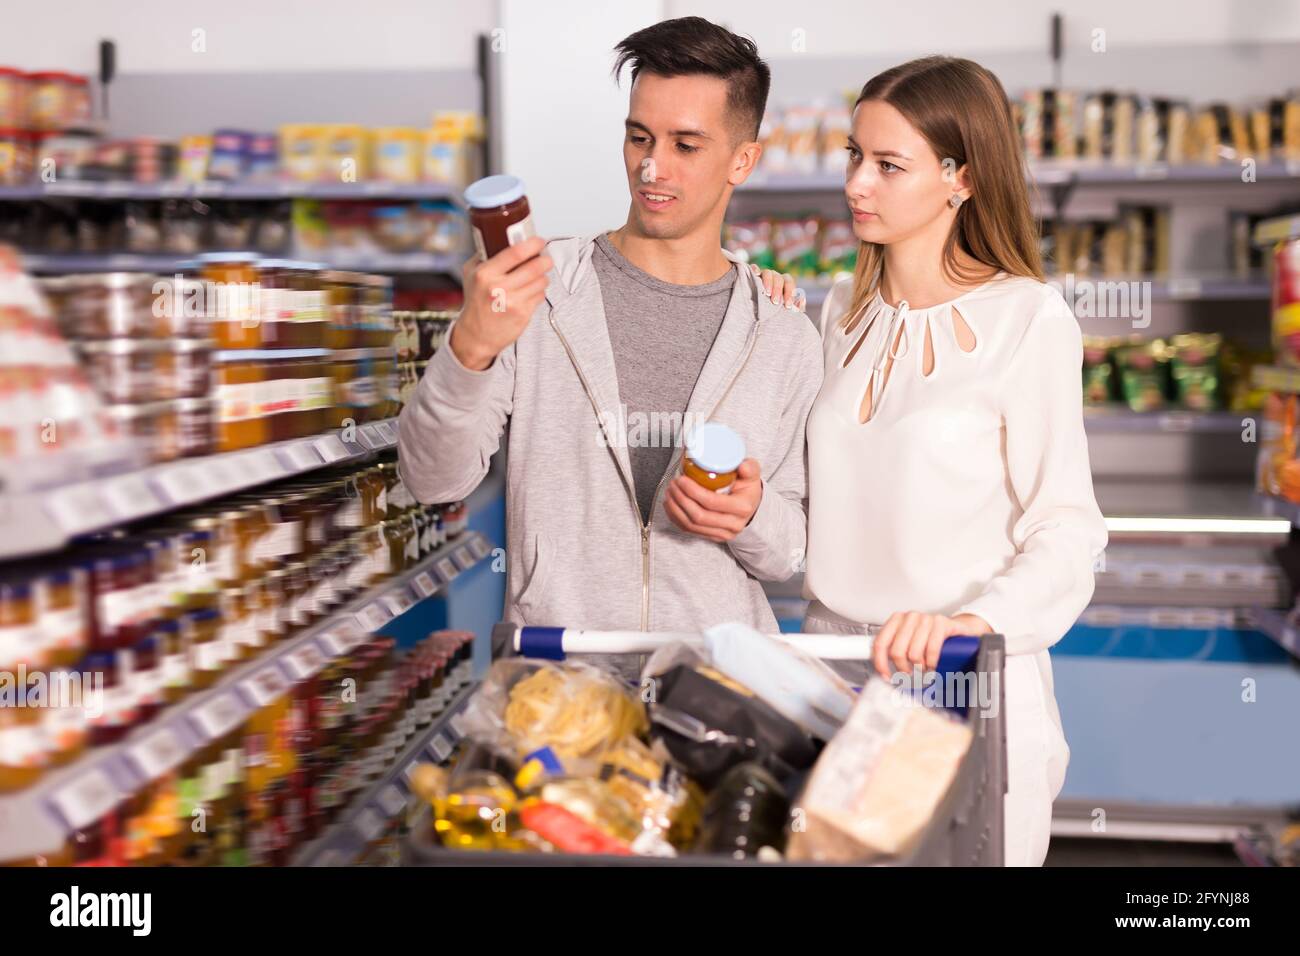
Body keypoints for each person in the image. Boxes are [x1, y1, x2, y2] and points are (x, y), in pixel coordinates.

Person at [398, 17, 822, 673]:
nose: (652, 166)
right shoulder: (539, 290)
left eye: (687, 144)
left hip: (710, 698)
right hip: (556, 690)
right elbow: (431, 481)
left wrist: (751, 513)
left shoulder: (782, 332)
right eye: (639, 136)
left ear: (743, 159)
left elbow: (791, 552)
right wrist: (470, 348)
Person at [801, 56, 1108, 866]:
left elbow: (1068, 528)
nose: (858, 185)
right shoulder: (838, 311)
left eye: (888, 165)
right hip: (837, 673)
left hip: (962, 681)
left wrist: (976, 624)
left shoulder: (1027, 320)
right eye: (854, 157)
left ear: (960, 178)